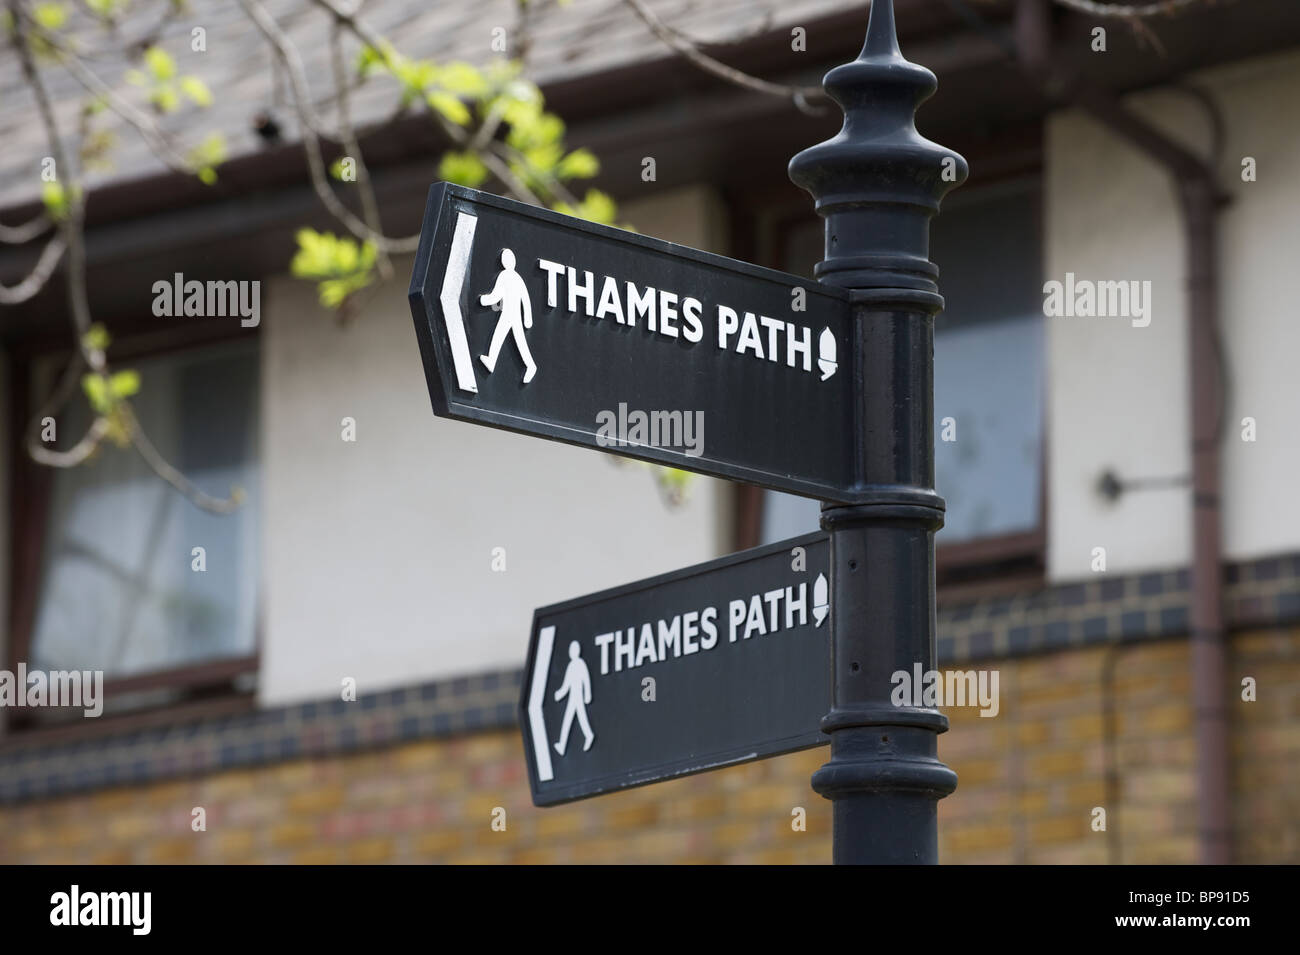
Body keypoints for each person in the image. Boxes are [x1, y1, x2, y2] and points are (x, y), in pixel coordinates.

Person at [478, 248, 538, 384]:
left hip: (511, 313)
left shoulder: (506, 276)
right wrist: (527, 317)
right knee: (508, 338)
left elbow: (498, 295)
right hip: (510, 313)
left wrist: (485, 300)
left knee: (514, 339)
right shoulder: (516, 277)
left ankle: (530, 365)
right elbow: (525, 299)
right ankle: (492, 361)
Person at [553, 640, 594, 756]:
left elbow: (586, 680)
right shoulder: (571, 665)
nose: (572, 652)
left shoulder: (580, 664)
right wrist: (560, 694)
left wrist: (588, 695)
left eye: (573, 650)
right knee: (572, 719)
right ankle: (563, 744)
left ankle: (587, 735)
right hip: (573, 697)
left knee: (577, 719)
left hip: (578, 697)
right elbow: (567, 684)